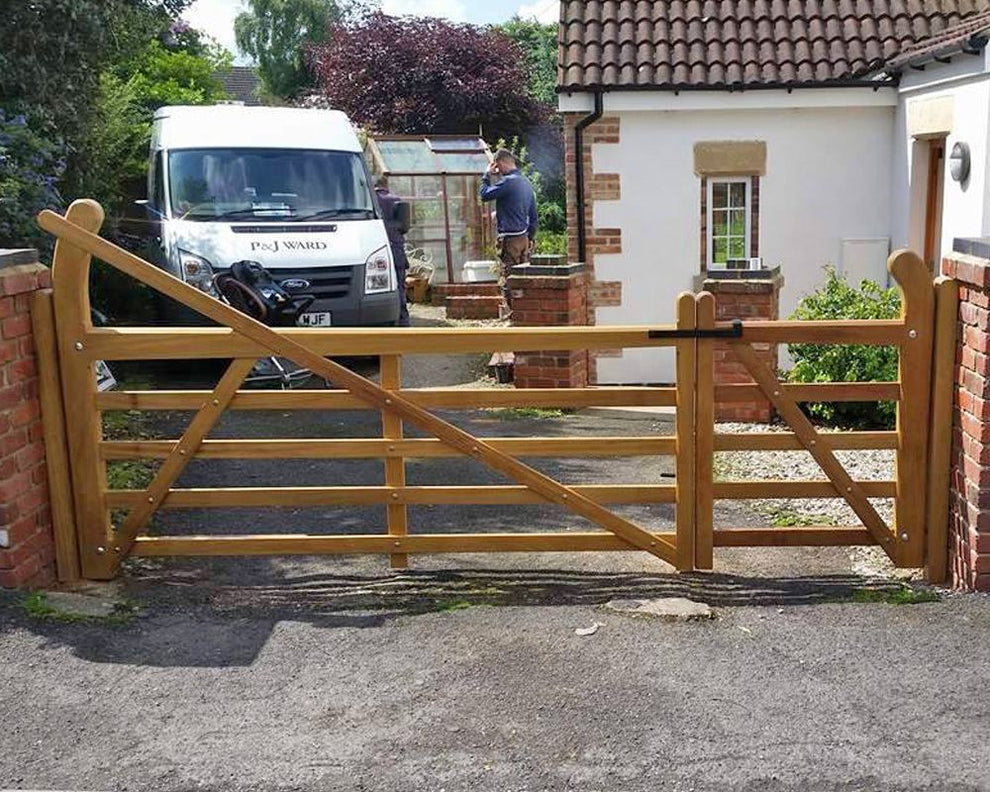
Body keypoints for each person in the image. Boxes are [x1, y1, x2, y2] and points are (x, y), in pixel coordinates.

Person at [479, 149, 538, 318]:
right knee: (523, 277)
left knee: (509, 277)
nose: (498, 170)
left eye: (498, 166)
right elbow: (533, 214)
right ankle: (525, 312)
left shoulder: (508, 182)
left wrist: (487, 175)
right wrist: (531, 237)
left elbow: (484, 194)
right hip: (524, 238)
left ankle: (512, 315)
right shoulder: (526, 183)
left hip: (510, 239)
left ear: (502, 163)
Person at [374, 176, 411, 327]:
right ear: (386, 185)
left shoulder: (369, 200)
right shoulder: (396, 200)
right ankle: (403, 321)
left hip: (375, 248)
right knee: (400, 285)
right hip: (395, 247)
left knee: (377, 287)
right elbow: (405, 226)